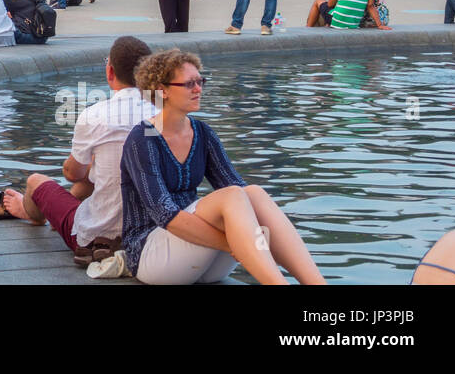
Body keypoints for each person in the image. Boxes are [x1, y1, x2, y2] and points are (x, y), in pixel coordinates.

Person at [121, 49, 326, 285]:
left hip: (200, 258)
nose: (199, 89)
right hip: (152, 256)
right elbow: (165, 215)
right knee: (231, 197)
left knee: (253, 193)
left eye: (200, 81)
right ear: (162, 90)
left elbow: (239, 189)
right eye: (189, 84)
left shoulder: (203, 133)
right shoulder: (143, 138)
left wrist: (248, 243)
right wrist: (236, 244)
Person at [4, 37, 155, 262]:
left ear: (110, 72)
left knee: (35, 181)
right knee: (102, 168)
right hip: (152, 235)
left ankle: (33, 214)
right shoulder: (165, 115)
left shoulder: (95, 114)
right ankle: (62, 209)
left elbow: (72, 174)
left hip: (98, 237)